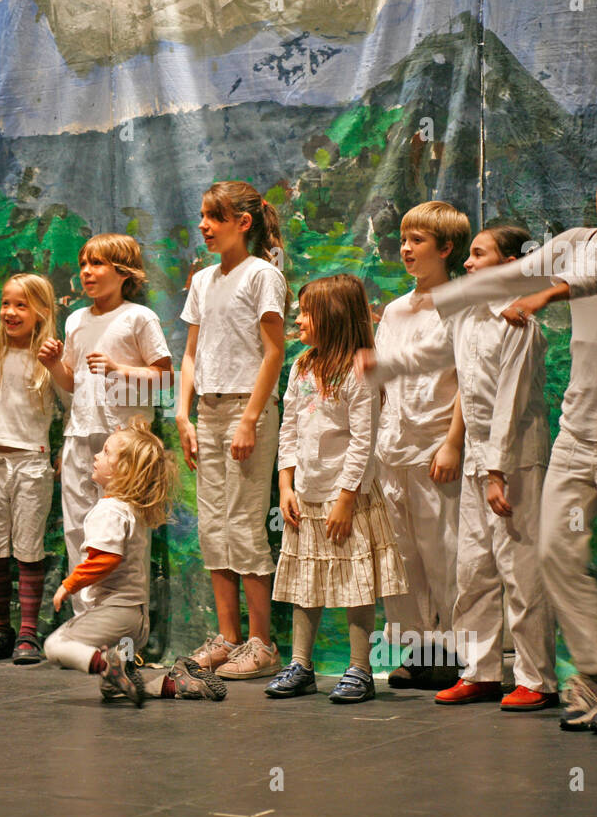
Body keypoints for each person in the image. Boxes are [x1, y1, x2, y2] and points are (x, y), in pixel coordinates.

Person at [415, 142, 597, 735]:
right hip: (576, 431)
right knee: (555, 556)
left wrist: (546, 293)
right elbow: (519, 268)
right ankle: (596, 675)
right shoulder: (577, 240)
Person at [360, 226, 558, 710]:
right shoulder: (469, 317)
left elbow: (511, 401)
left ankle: (536, 678)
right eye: (468, 256)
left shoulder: (520, 324)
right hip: (478, 462)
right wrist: (383, 366)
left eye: (478, 255)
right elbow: (434, 354)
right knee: (474, 569)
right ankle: (481, 670)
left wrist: (497, 471)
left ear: (511, 263)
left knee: (519, 569)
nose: (468, 265)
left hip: (513, 462)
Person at [264, 275, 407, 703]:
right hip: (305, 496)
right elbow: (287, 426)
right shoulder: (302, 366)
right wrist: (286, 484)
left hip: (348, 499)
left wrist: (346, 499)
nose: (299, 319)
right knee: (304, 582)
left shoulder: (359, 371)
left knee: (354, 583)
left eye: (307, 312)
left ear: (333, 317)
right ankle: (300, 664)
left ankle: (360, 667)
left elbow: (364, 439)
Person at [174, 181, 287, 680]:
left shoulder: (262, 275)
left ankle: (262, 644)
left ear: (243, 223)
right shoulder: (202, 281)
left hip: (249, 408)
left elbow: (274, 352)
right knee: (213, 526)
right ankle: (228, 638)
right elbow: (192, 353)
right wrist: (184, 413)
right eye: (202, 215)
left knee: (243, 525)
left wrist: (250, 419)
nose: (204, 225)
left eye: (214, 217)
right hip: (210, 411)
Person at [46, 420, 225, 706]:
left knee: (55, 645)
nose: (96, 457)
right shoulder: (131, 510)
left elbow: (106, 559)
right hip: (136, 620)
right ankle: (171, 682)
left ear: (125, 470)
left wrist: (69, 584)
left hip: (117, 613)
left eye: (106, 453)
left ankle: (108, 665)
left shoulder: (110, 510)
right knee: (113, 688)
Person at [373, 200, 470, 689]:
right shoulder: (394, 310)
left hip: (436, 447)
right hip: (393, 448)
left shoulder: (460, 306)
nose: (406, 249)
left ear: (446, 248)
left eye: (418, 241)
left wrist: (453, 442)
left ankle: (453, 653)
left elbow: (469, 382)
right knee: (402, 556)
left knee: (443, 554)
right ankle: (415, 650)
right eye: (404, 240)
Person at [37, 233, 173, 571]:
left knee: (126, 529)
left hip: (125, 441)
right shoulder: (76, 320)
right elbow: (72, 381)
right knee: (77, 530)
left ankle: (123, 619)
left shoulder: (139, 317)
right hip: (80, 436)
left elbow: (165, 377)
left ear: (124, 272)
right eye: (83, 264)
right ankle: (85, 618)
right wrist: (54, 365)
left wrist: (119, 369)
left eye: (97, 264)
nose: (86, 271)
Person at [0, 273, 60, 664]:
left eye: (21, 305)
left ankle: (28, 633)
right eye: (6, 303)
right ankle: (0, 630)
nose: (11, 312)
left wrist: (61, 454)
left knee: (27, 549)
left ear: (40, 312)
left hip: (33, 465)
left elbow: (70, 406)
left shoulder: (49, 360)